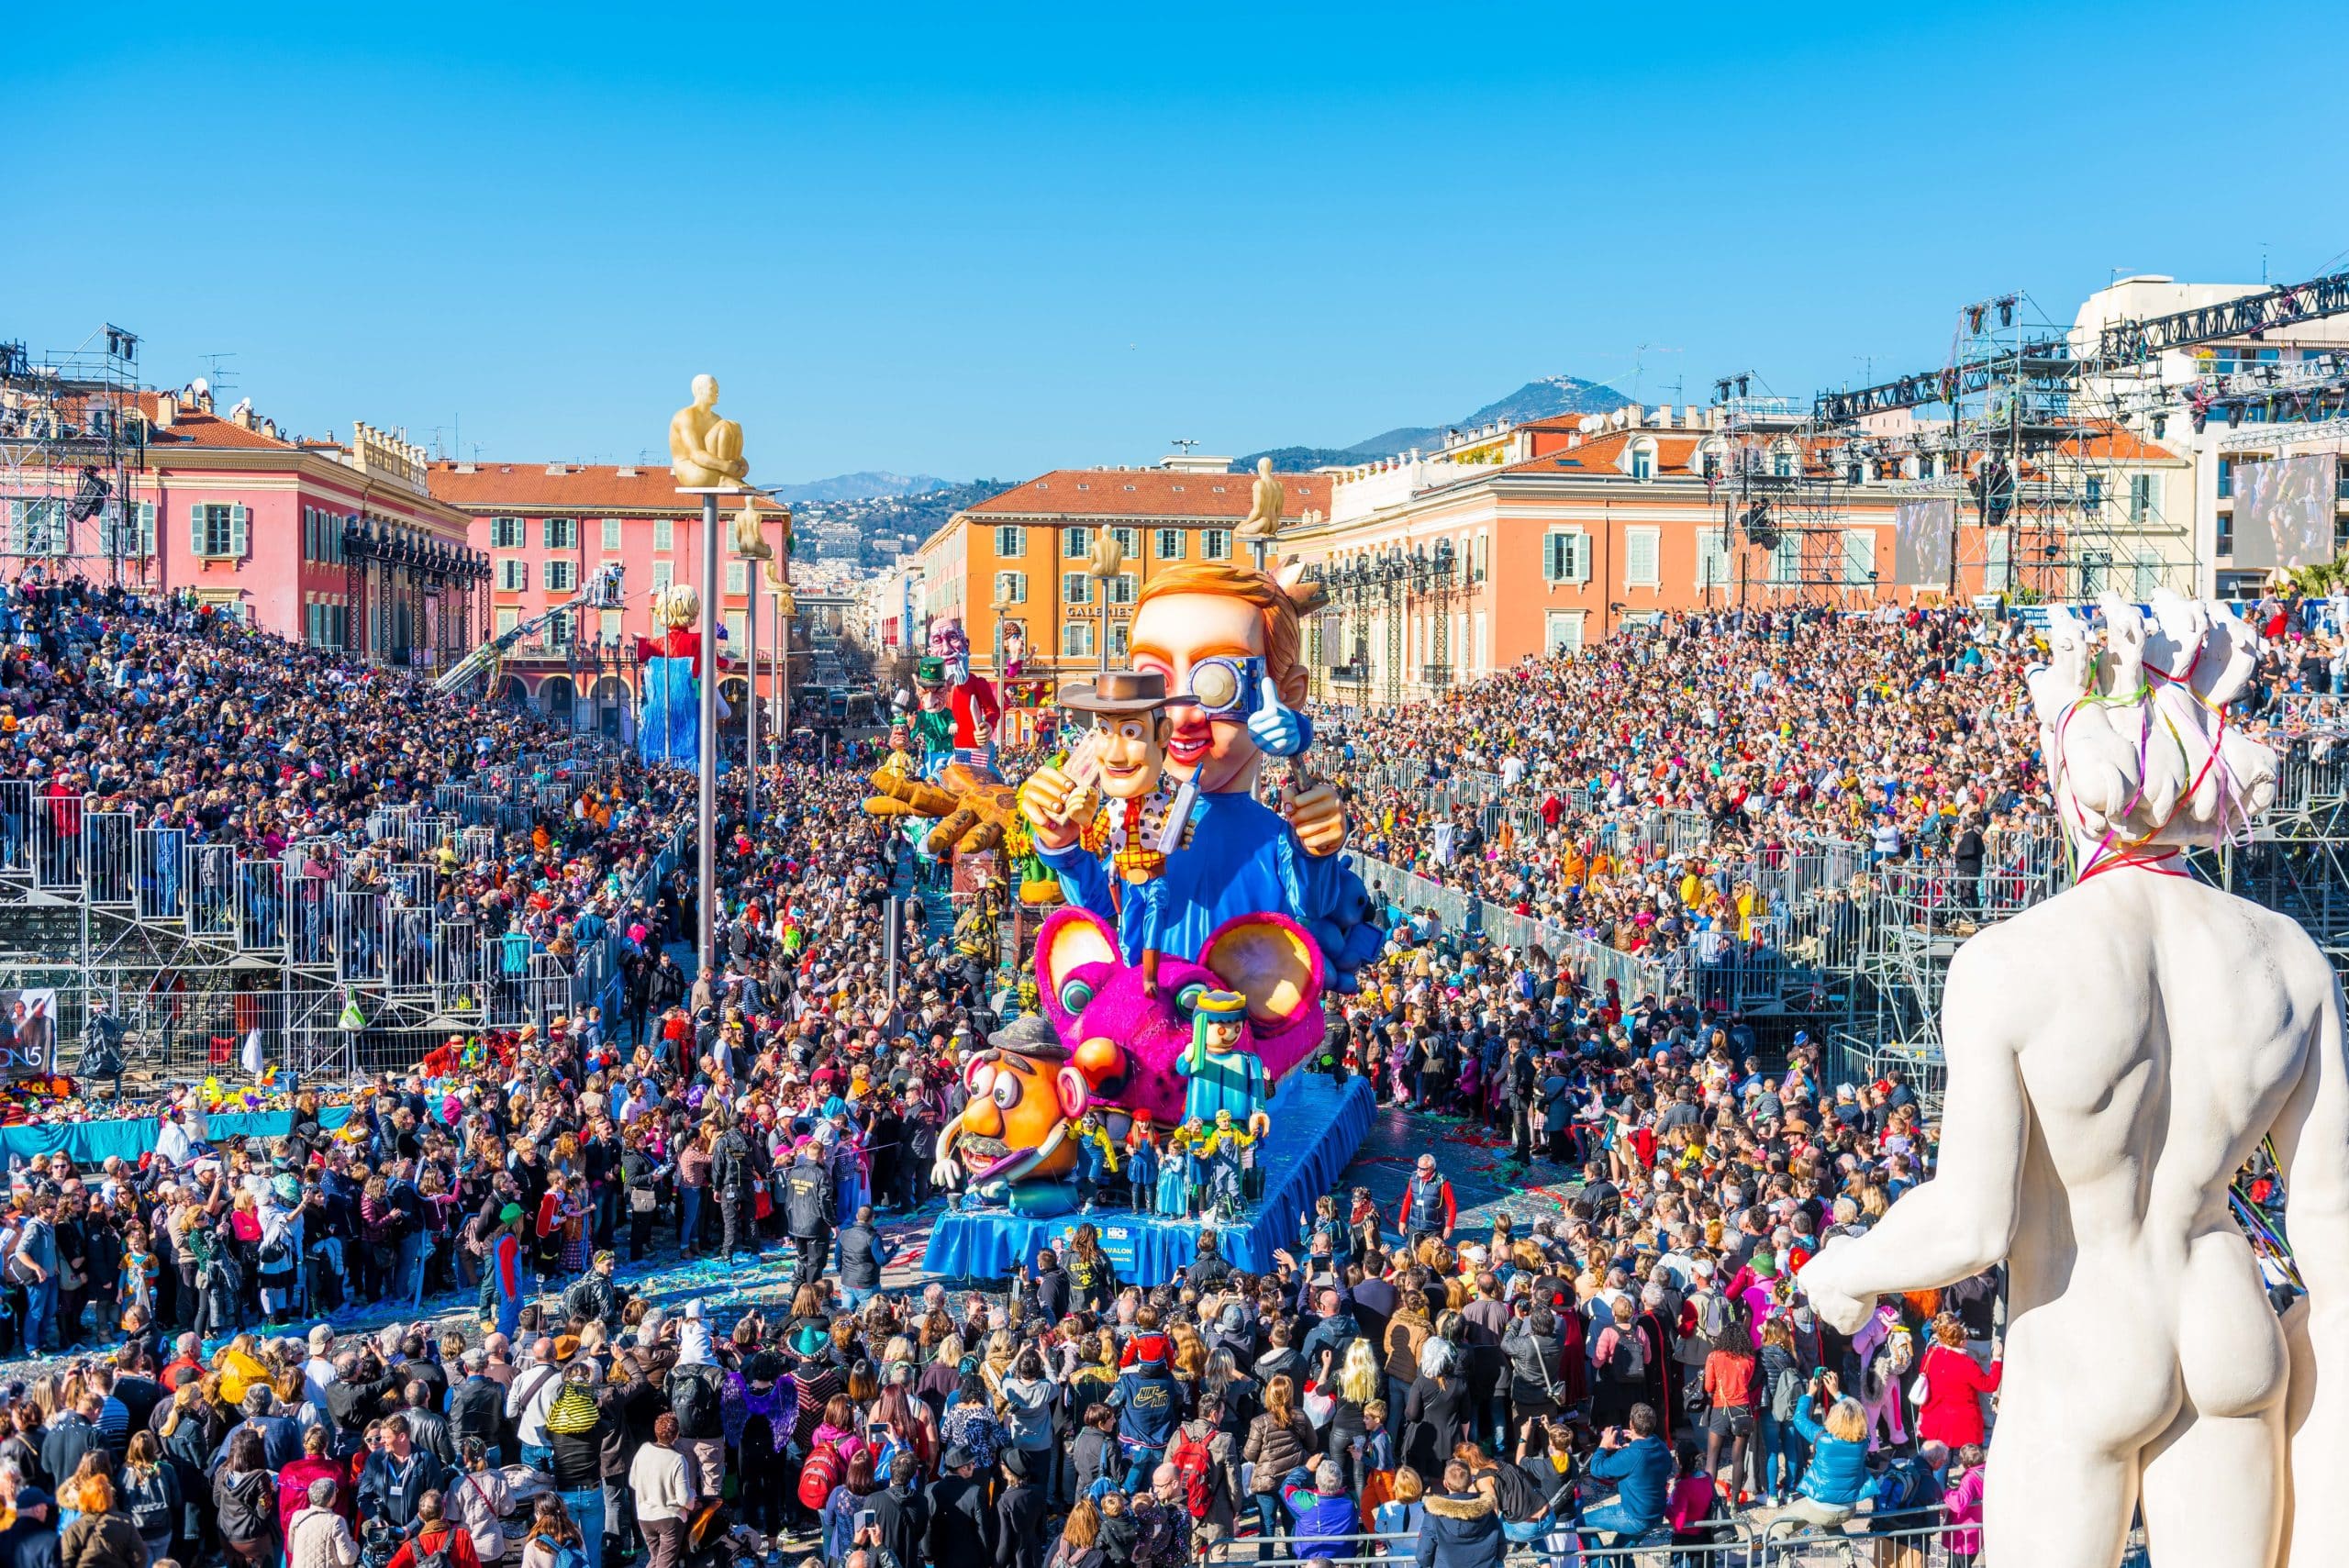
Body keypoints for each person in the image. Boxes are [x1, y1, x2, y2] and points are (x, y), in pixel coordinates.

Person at [1773, 1386, 1871, 1535]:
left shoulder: (1822, 1439)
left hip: (1820, 1506)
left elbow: (1799, 1418)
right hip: (1848, 1507)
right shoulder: (1864, 1442)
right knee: (1830, 1523)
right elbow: (1856, 1413)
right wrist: (1837, 1393)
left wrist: (1809, 1393)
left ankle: (1783, 1559)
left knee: (1777, 1527)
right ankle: (1848, 1558)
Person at [1579, 1404, 1671, 1541]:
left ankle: (1600, 1563)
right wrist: (1633, 1445)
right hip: (1656, 1515)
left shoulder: (1632, 1455)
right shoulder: (1660, 1446)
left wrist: (1603, 1446)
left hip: (1634, 1517)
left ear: (1631, 1424)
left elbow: (1596, 1469)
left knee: (1580, 1523)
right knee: (1620, 1551)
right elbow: (1666, 1468)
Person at [626, 1414, 694, 1568]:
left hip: (644, 1516)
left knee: (656, 1559)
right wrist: (693, 1495)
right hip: (669, 1519)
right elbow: (684, 1500)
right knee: (664, 1563)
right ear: (676, 1435)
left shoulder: (643, 1449)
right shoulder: (677, 1459)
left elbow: (632, 1481)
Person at [1412, 1459, 1503, 1568]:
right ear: (1470, 1482)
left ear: (1445, 1483)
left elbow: (1423, 1556)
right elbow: (1501, 1549)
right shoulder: (1488, 1512)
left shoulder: (1434, 1516)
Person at [57, 1473, 142, 1568]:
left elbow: (66, 1562)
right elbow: (139, 1557)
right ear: (108, 1498)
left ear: (83, 1500)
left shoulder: (73, 1530)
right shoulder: (125, 1521)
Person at [287, 1478, 362, 1568]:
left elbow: (291, 1548)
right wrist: (355, 1546)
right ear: (331, 1499)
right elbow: (347, 1559)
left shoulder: (297, 1516)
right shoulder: (336, 1521)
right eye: (335, 1491)